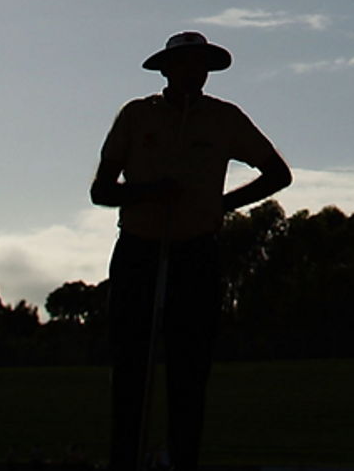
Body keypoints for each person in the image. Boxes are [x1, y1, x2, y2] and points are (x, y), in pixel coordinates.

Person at [90, 31, 292, 471]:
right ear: (166, 69)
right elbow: (101, 191)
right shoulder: (137, 115)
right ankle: (125, 461)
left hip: (197, 254)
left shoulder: (225, 119)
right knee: (130, 372)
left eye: (200, 65)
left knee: (190, 373)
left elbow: (278, 174)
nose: (193, 72)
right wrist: (146, 193)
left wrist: (221, 204)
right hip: (139, 251)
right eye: (183, 63)